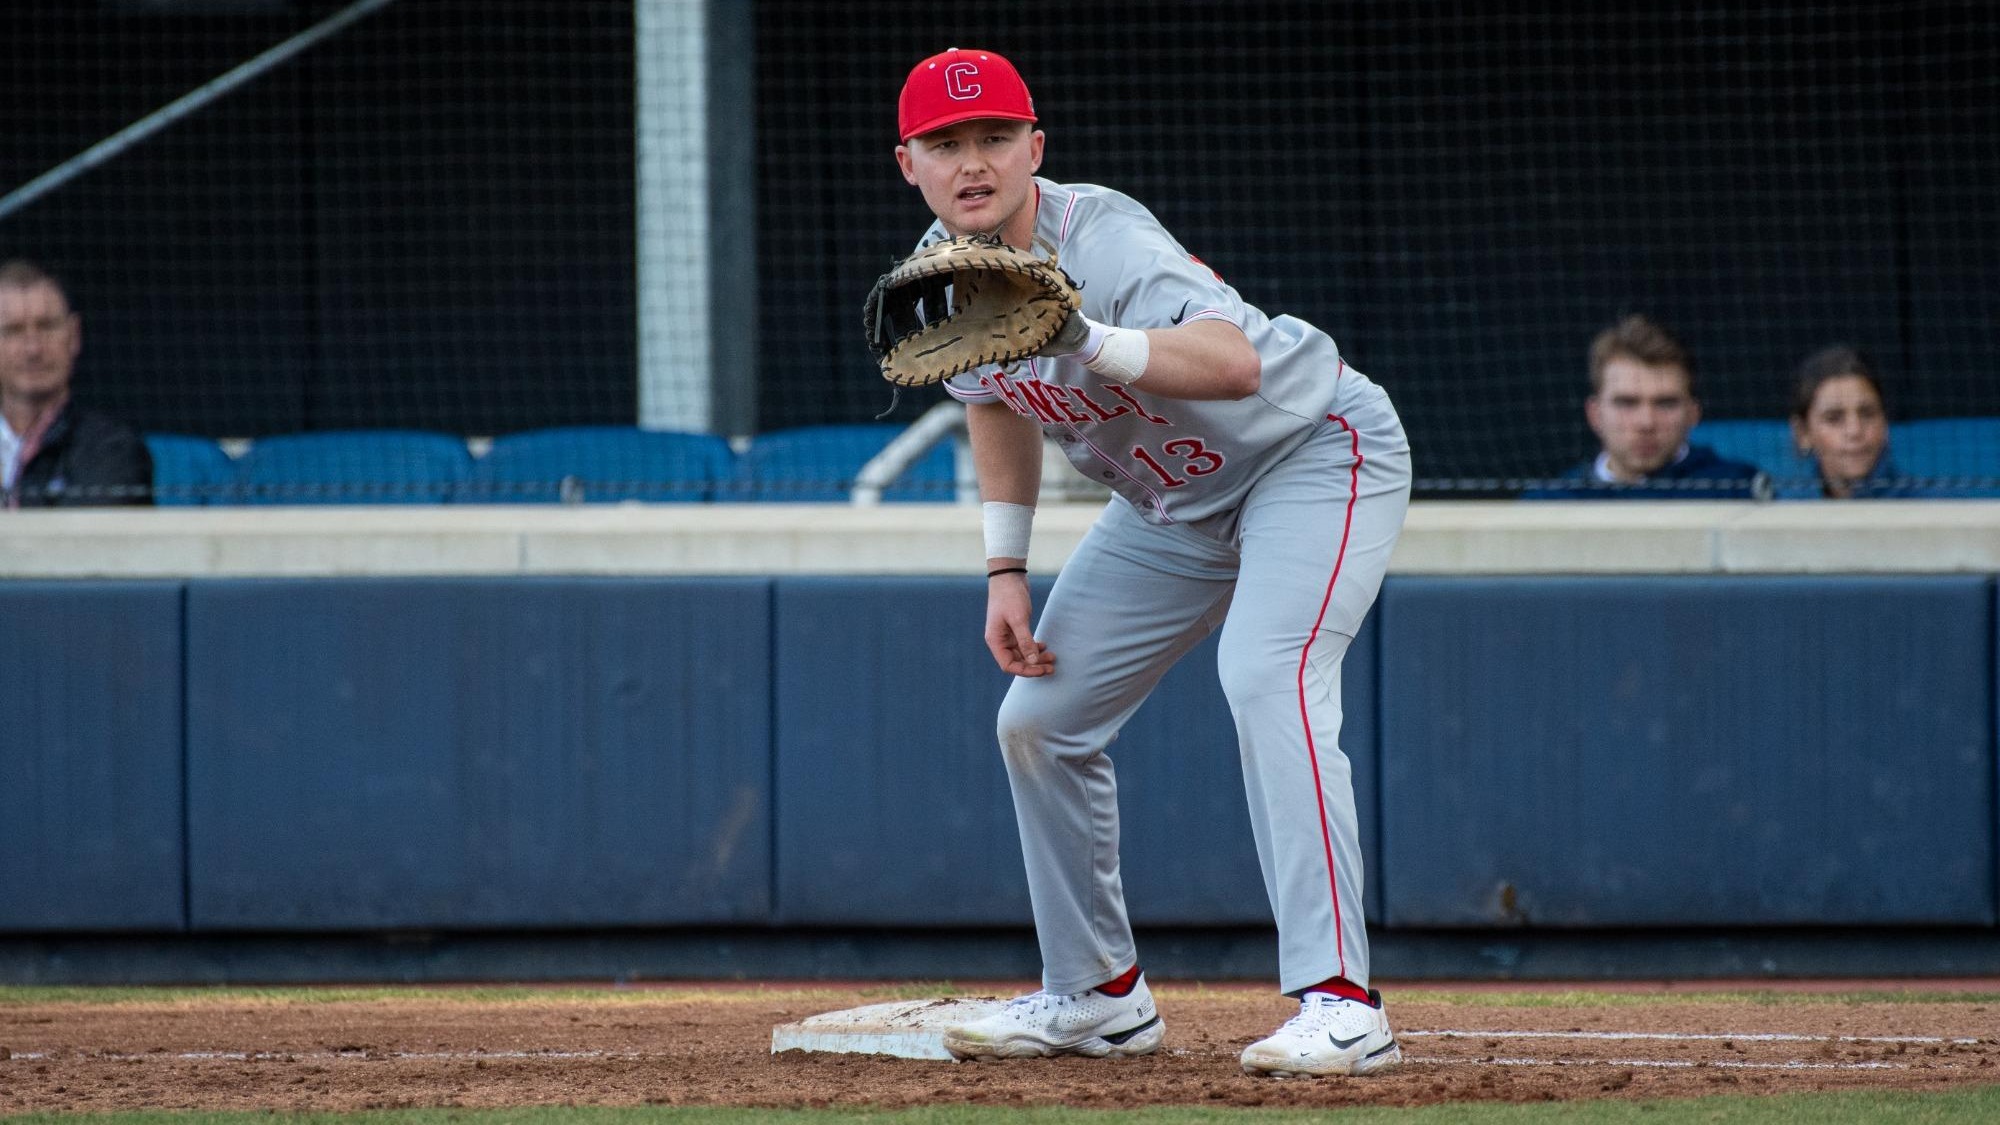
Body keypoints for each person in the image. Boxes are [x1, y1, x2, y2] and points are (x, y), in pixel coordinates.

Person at [892, 48, 1411, 1078]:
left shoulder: (1107, 237)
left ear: (1034, 149)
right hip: (1171, 506)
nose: (973, 162)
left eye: (994, 136)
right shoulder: (940, 274)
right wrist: (1005, 571)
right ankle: (1096, 997)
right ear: (907, 163)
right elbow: (992, 403)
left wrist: (1081, 333)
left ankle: (1343, 1001)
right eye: (945, 144)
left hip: (1306, 452)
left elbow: (1234, 363)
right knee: (1038, 722)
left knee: (1267, 677)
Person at [1524, 314, 1764, 499]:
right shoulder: (1553, 502)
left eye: (1665, 403)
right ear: (1595, 414)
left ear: (1693, 413)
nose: (1646, 422)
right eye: (1626, 403)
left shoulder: (1736, 489)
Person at [0, 260, 152, 507]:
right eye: (13, 331)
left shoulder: (112, 449)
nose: (33, 349)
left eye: (46, 327)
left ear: (74, 335)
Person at [1782, 345, 1916, 499]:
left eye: (1867, 414)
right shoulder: (1780, 513)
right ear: (1802, 433)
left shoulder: (1935, 508)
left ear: (1884, 423)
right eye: (1834, 418)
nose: (1855, 431)